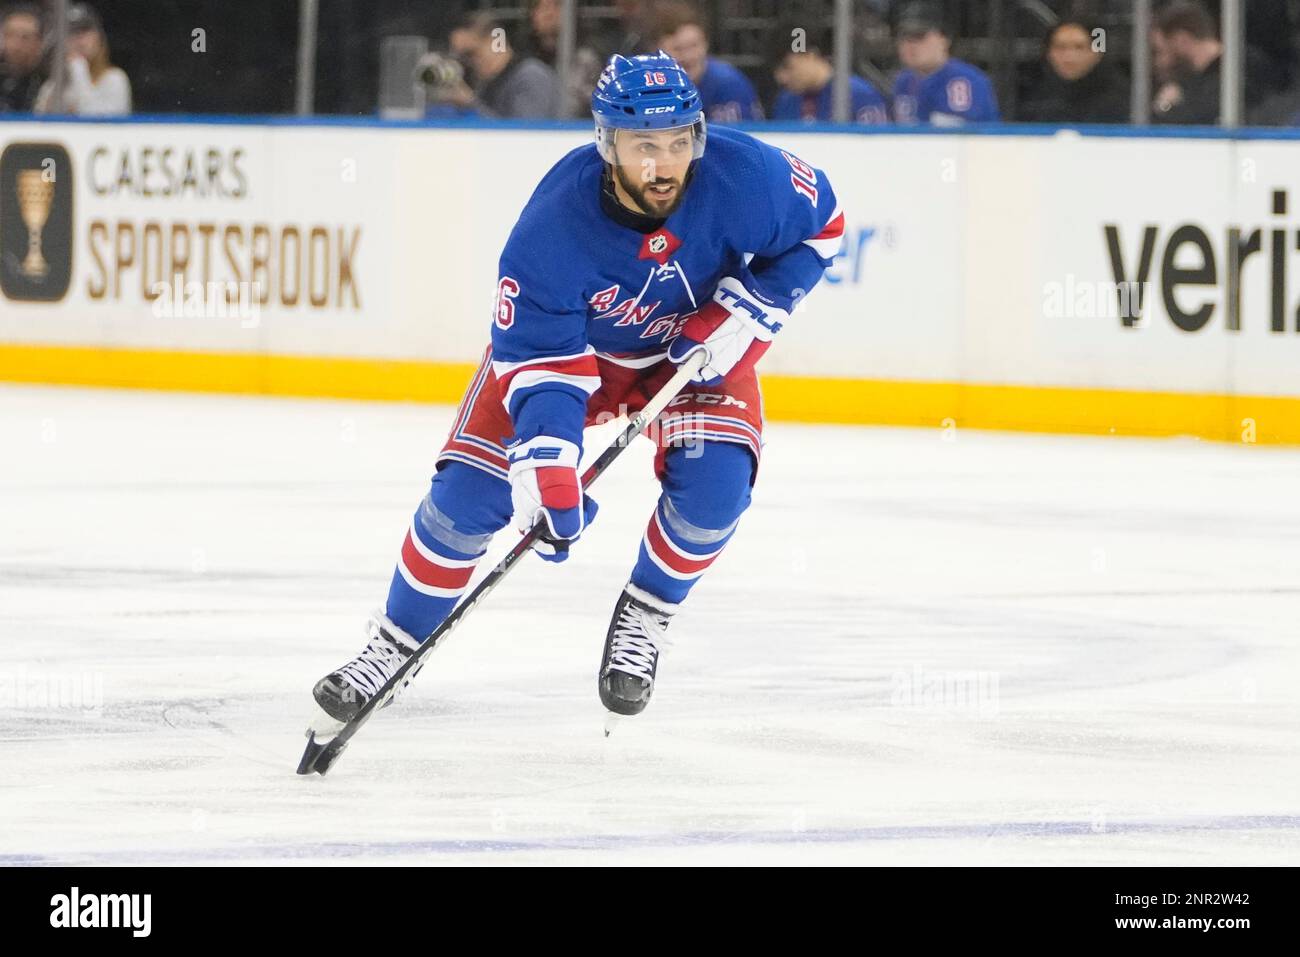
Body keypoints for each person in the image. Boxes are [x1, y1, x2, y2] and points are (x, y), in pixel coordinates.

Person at [311, 52, 843, 724]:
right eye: (644, 144)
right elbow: (542, 368)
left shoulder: (746, 176)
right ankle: (393, 644)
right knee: (464, 502)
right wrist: (548, 464)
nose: (665, 164)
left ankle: (646, 613)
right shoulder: (551, 229)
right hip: (575, 366)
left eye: (680, 142)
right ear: (606, 142)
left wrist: (759, 303)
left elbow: (824, 223)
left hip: (696, 355)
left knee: (716, 491)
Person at [438, 11, 563, 119]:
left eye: (470, 53)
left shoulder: (531, 76)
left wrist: (470, 105)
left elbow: (523, 135)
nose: (468, 63)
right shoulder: (488, 84)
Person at [891, 3, 999, 125]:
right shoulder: (903, 82)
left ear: (944, 39)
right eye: (904, 37)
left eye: (919, 36)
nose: (910, 44)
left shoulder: (964, 80)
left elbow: (958, 138)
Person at [654, 1, 762, 122]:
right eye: (677, 49)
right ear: (659, 51)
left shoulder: (729, 84)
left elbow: (738, 136)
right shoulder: (649, 84)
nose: (688, 57)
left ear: (706, 44)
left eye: (693, 46)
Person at [1019, 19, 1128, 124]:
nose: (1069, 57)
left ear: (1097, 53)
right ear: (1048, 53)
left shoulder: (1121, 100)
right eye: (1060, 47)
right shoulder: (1030, 95)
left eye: (1079, 47)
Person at [771, 32, 888, 124]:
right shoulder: (786, 100)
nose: (782, 78)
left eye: (787, 66)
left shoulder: (858, 94)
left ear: (810, 56)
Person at [34, 4, 130, 116]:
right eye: (72, 33)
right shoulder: (53, 86)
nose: (79, 40)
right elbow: (38, 125)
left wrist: (78, 67)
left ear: (99, 37)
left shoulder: (115, 79)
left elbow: (97, 122)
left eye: (85, 31)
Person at [0, 3, 43, 113]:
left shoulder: (49, 81)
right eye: (10, 35)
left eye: (25, 37)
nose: (16, 45)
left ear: (38, 43)